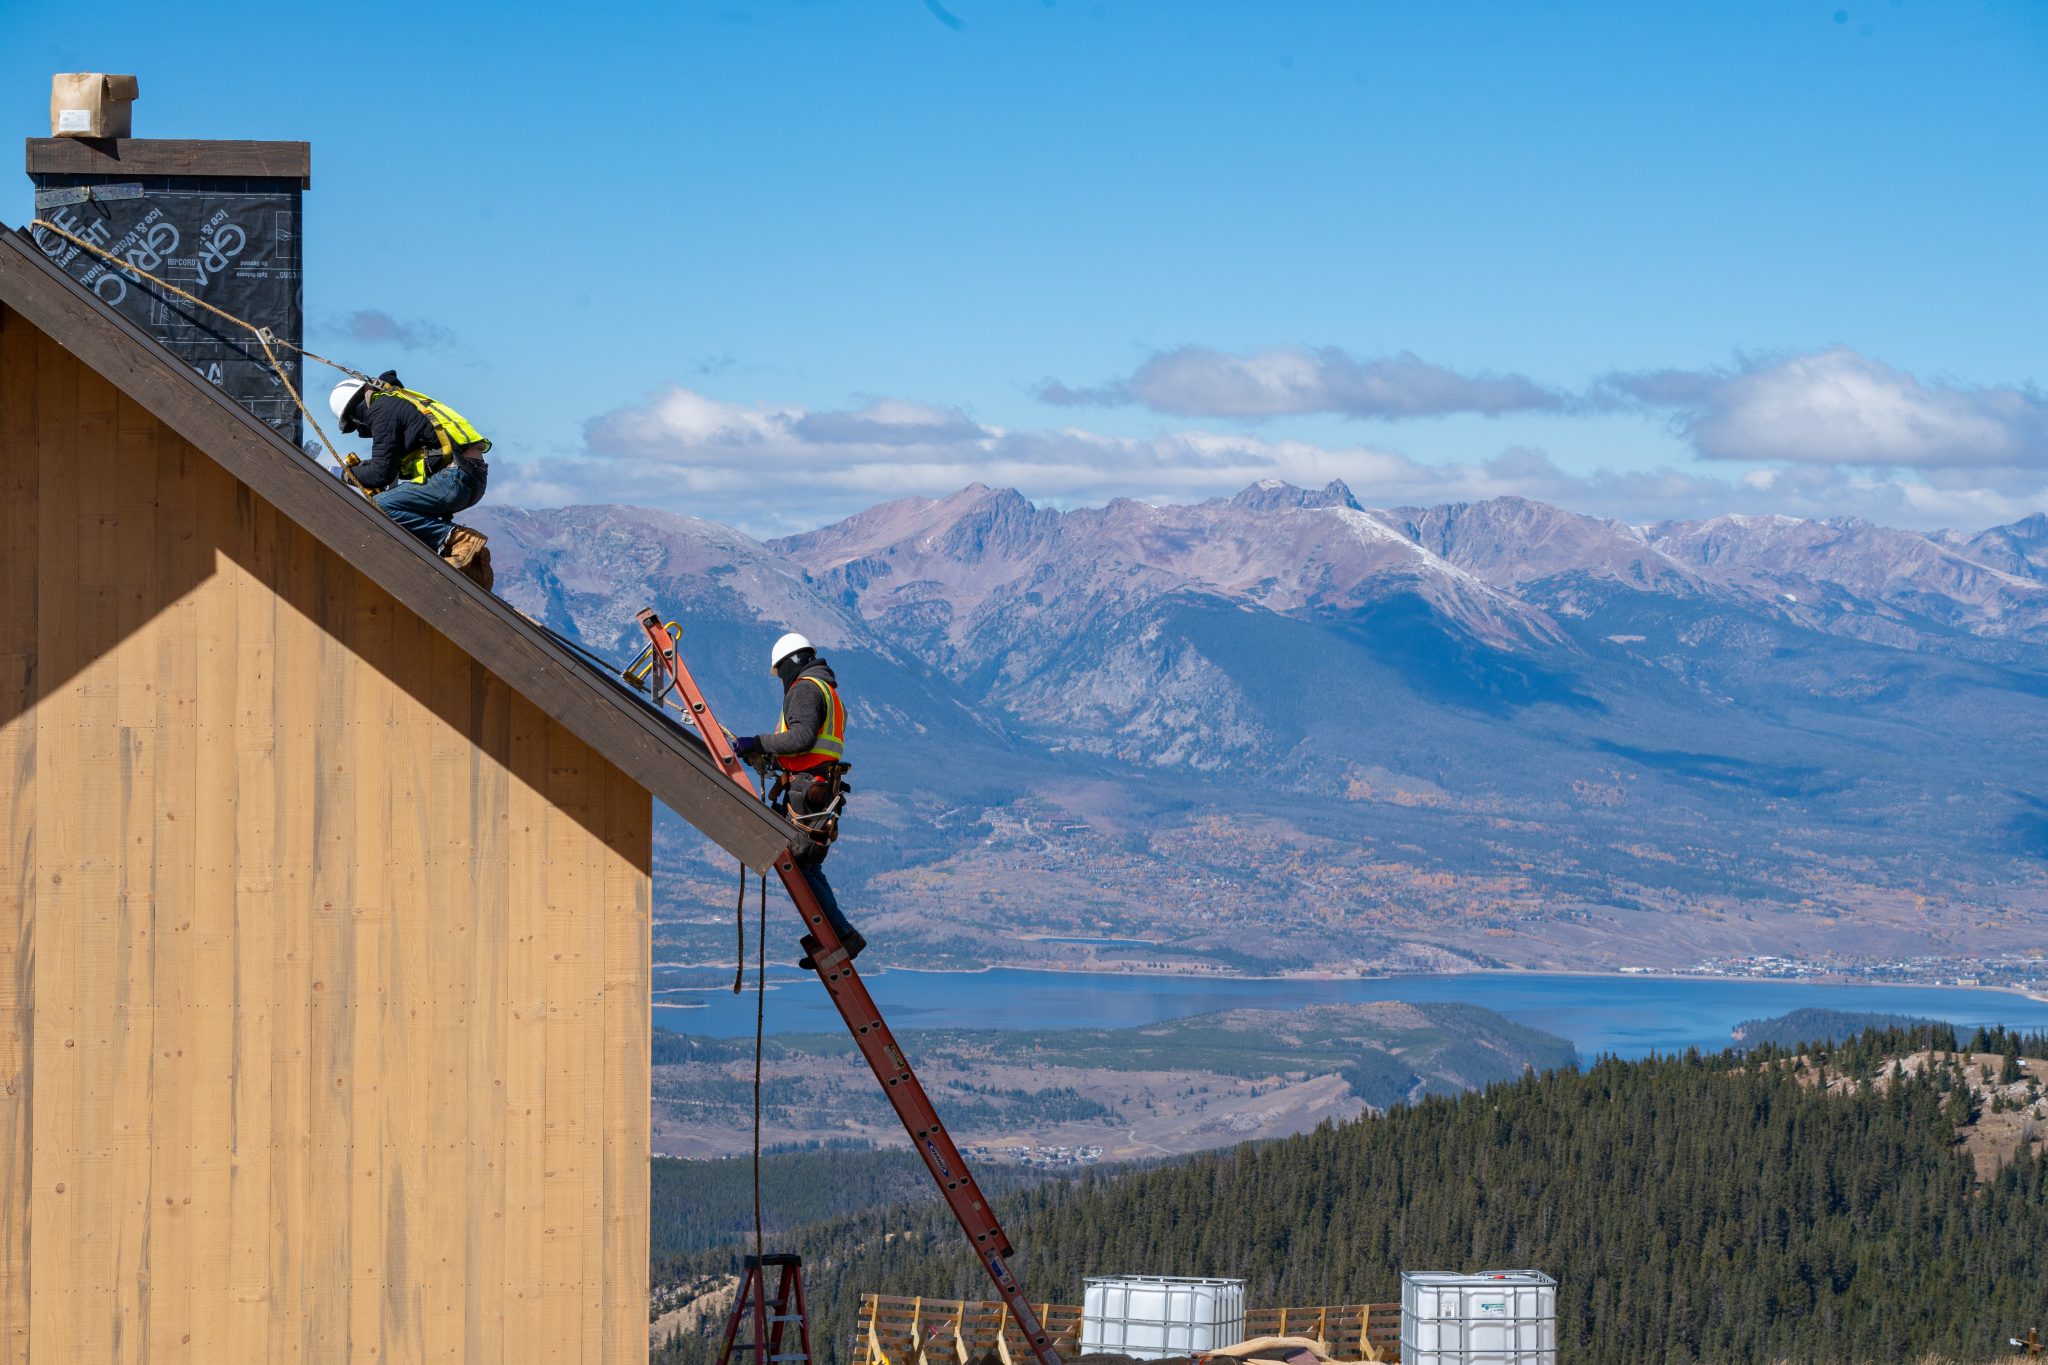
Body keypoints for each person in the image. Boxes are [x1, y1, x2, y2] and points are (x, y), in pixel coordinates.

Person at [731, 632, 866, 968]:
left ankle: (839, 934)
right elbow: (814, 750)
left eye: (780, 672)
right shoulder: (827, 692)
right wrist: (771, 760)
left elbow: (803, 738)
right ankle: (837, 934)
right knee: (808, 866)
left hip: (808, 793)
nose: (781, 680)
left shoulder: (805, 689)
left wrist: (758, 743)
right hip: (817, 787)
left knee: (801, 864)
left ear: (789, 663)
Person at [328, 372, 494, 588]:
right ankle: (470, 566)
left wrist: (341, 474)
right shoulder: (397, 403)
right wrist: (359, 470)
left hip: (454, 478)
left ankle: (460, 539)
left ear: (355, 413)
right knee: (418, 530)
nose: (361, 430)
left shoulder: (382, 410)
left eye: (356, 424)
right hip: (468, 478)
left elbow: (381, 473)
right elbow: (390, 465)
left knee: (381, 506)